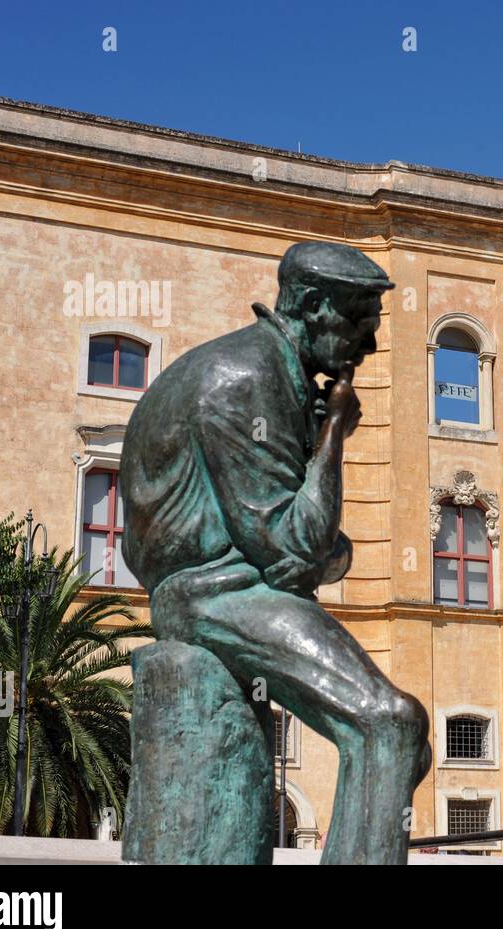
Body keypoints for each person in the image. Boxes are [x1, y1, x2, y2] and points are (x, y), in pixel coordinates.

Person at [121, 241, 431, 864]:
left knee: (407, 737)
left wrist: (311, 545)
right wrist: (333, 438)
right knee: (388, 723)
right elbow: (295, 545)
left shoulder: (269, 374)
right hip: (213, 594)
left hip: (230, 586)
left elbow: (316, 554)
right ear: (313, 305)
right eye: (358, 325)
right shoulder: (245, 377)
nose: (367, 348)